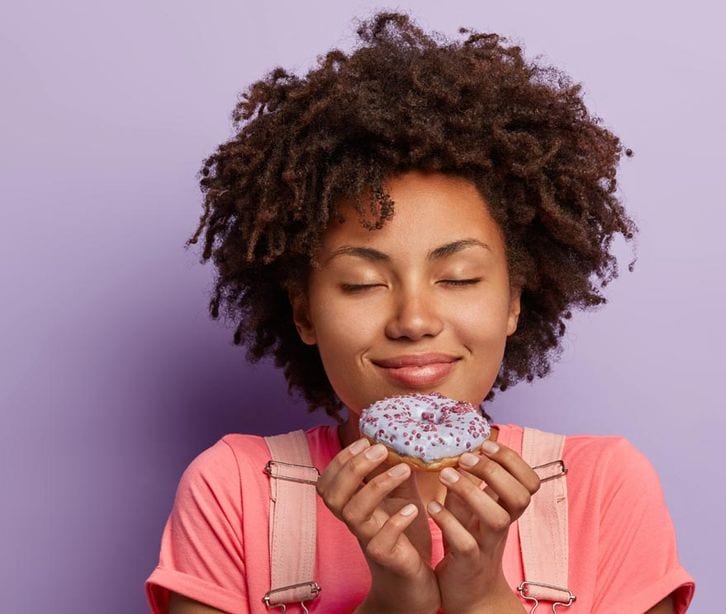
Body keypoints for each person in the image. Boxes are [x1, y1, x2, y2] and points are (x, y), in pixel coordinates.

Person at [145, 10, 696, 613]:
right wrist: (393, 602)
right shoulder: (235, 489)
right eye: (360, 283)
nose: (413, 319)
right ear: (303, 312)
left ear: (514, 300)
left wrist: (483, 598)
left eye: (458, 277)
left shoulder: (602, 485)